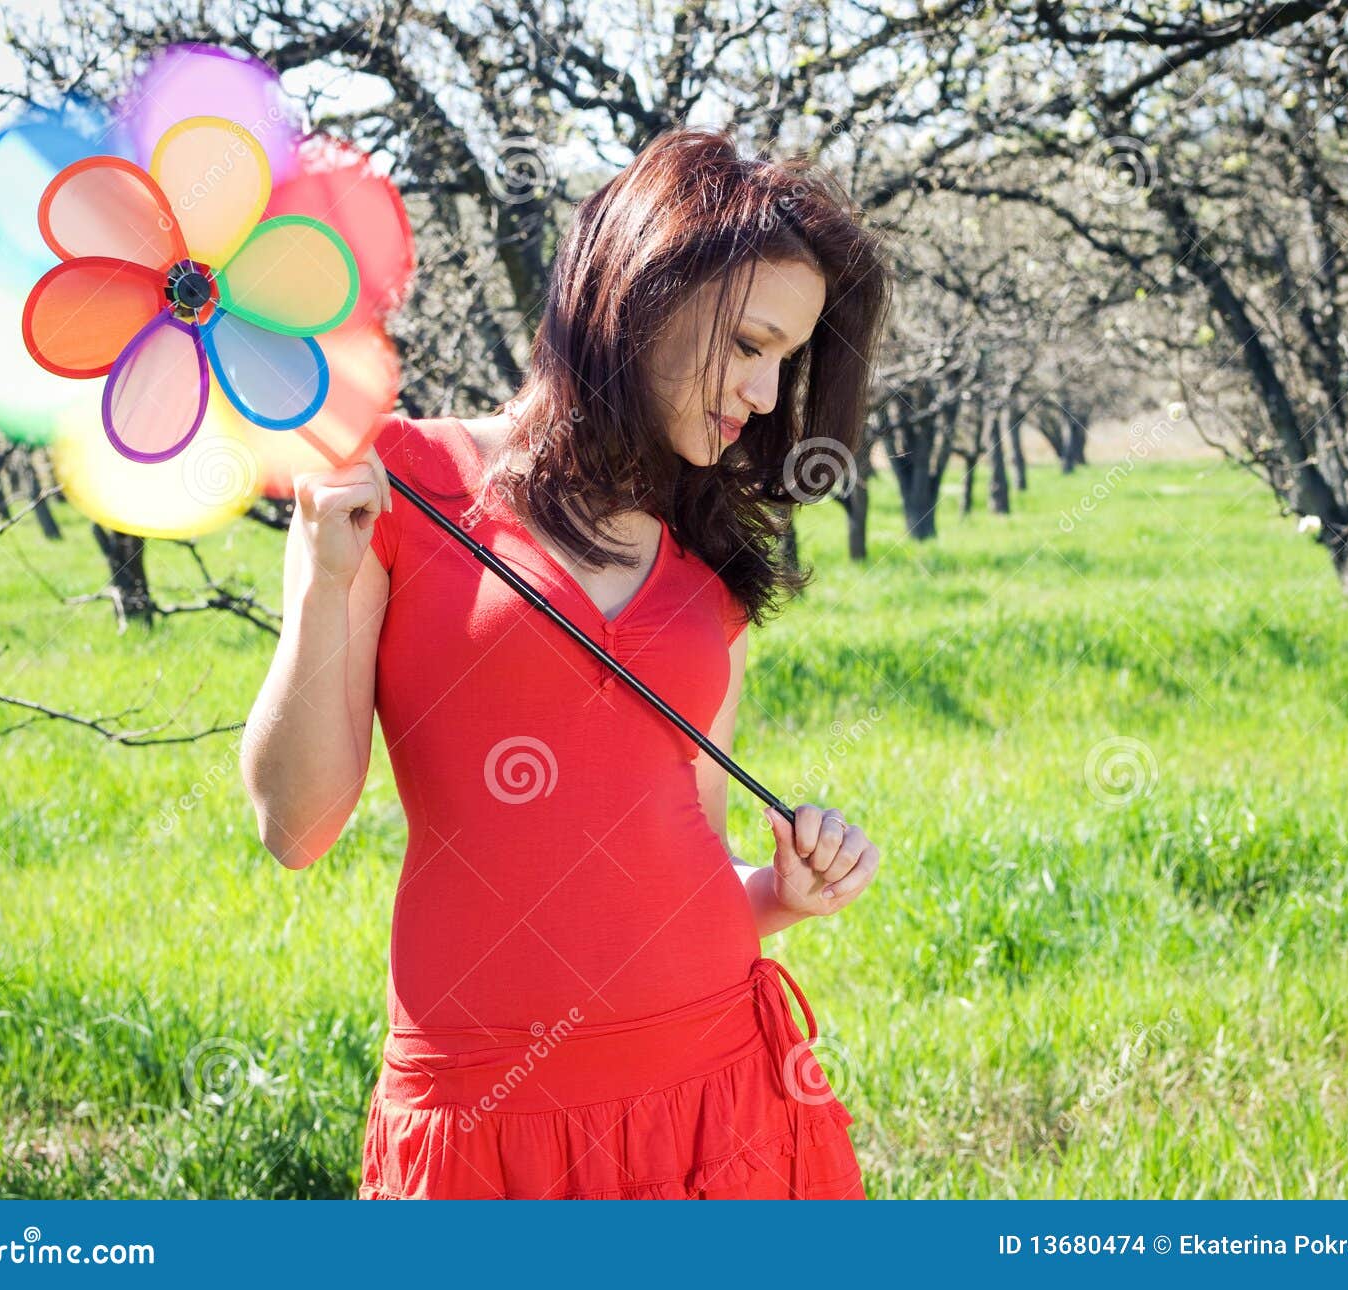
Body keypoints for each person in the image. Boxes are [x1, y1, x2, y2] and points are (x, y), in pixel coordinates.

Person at [240, 127, 892, 1199]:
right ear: (646, 291)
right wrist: (319, 580)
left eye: (788, 361)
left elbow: (674, 850)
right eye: (748, 345)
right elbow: (296, 827)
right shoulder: (402, 483)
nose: (769, 397)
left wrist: (782, 890)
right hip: (488, 1116)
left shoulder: (707, 568)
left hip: (717, 1091)